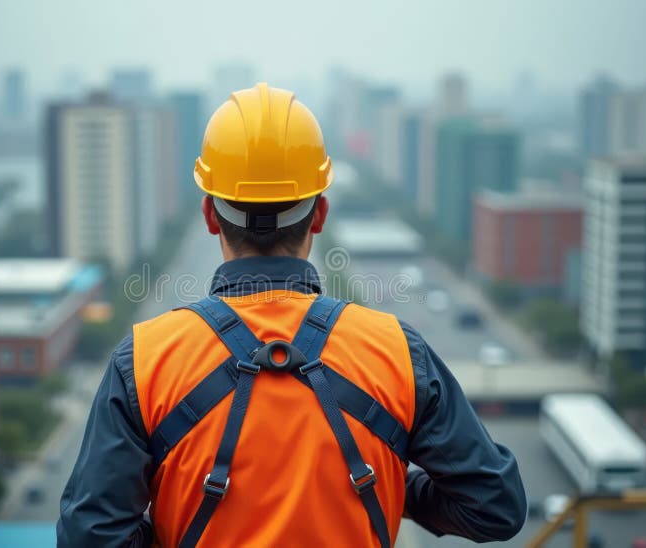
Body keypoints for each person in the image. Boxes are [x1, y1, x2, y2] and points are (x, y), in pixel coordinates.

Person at [57, 83, 526, 547]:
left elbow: (89, 537)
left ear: (209, 214)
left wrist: (169, 524)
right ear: (319, 214)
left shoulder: (144, 361)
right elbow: (494, 505)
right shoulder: (398, 353)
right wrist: (395, 484)